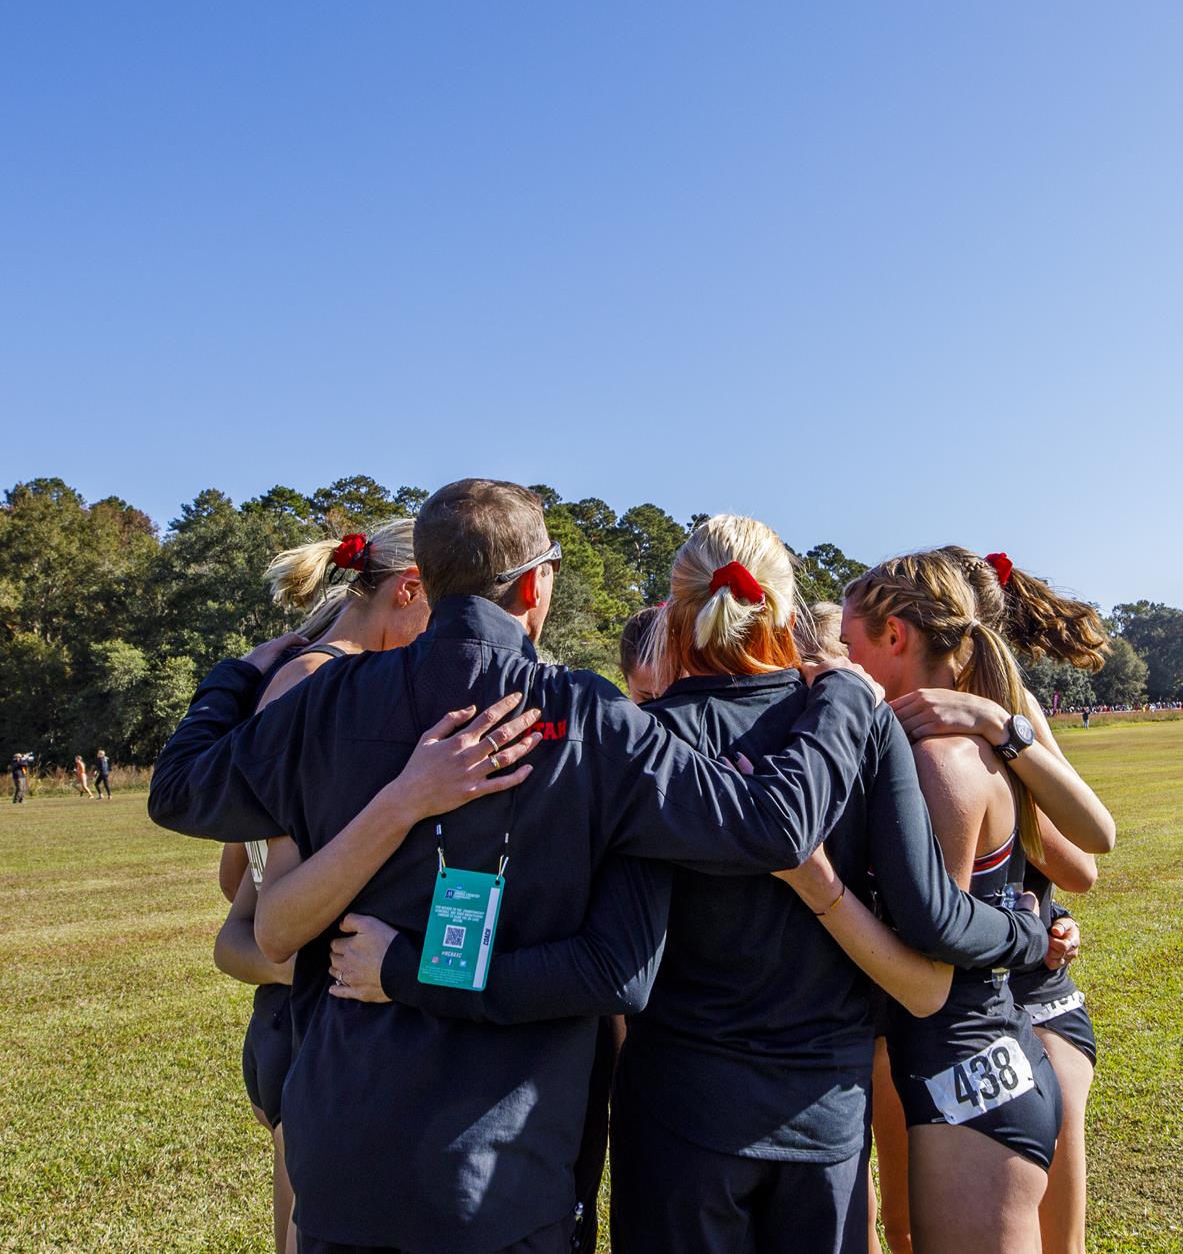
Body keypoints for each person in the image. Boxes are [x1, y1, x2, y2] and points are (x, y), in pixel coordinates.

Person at [148, 478, 883, 1254]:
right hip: (502, 1167)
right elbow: (773, 826)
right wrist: (838, 693)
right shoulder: (587, 716)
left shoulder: (328, 699)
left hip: (343, 1154)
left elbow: (178, 789)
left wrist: (242, 669)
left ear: (423, 581)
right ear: (536, 582)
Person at [325, 516, 1074, 1254]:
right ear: (782, 612)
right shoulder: (857, 723)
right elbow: (935, 918)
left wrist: (409, 966)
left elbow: (609, 966)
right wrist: (1029, 931)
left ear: (675, 617)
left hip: (681, 1129)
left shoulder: (640, 738)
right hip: (824, 1124)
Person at [843, 550, 1116, 1254]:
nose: (844, 661)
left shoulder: (963, 742)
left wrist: (817, 888)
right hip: (967, 1041)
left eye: (849, 643)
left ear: (898, 635)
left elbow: (1086, 853)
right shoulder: (915, 735)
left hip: (987, 1042)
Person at [207, 518, 431, 1254]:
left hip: (287, 1009)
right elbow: (261, 892)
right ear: (409, 589)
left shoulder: (302, 672)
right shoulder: (328, 684)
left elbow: (235, 873)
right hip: (310, 1018)